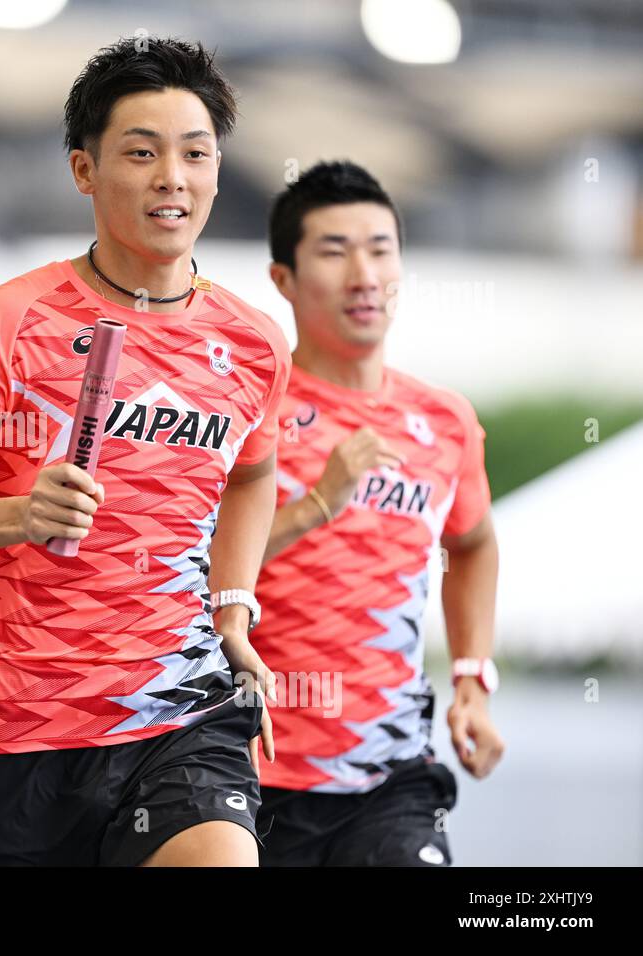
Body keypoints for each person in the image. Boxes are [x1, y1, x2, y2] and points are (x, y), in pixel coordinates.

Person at [0, 36, 291, 866]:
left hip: (180, 714)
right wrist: (21, 513)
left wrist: (233, 609)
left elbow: (254, 471)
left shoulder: (253, 344)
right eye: (142, 152)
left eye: (196, 154)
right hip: (10, 731)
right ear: (85, 171)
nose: (173, 176)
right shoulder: (10, 323)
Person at [253, 160, 505, 866]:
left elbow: (475, 545)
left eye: (381, 248)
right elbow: (192, 569)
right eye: (334, 251)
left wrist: (471, 680)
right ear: (285, 279)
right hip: (246, 775)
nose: (364, 274)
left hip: (393, 777)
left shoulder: (445, 420)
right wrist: (315, 506)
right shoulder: (252, 412)